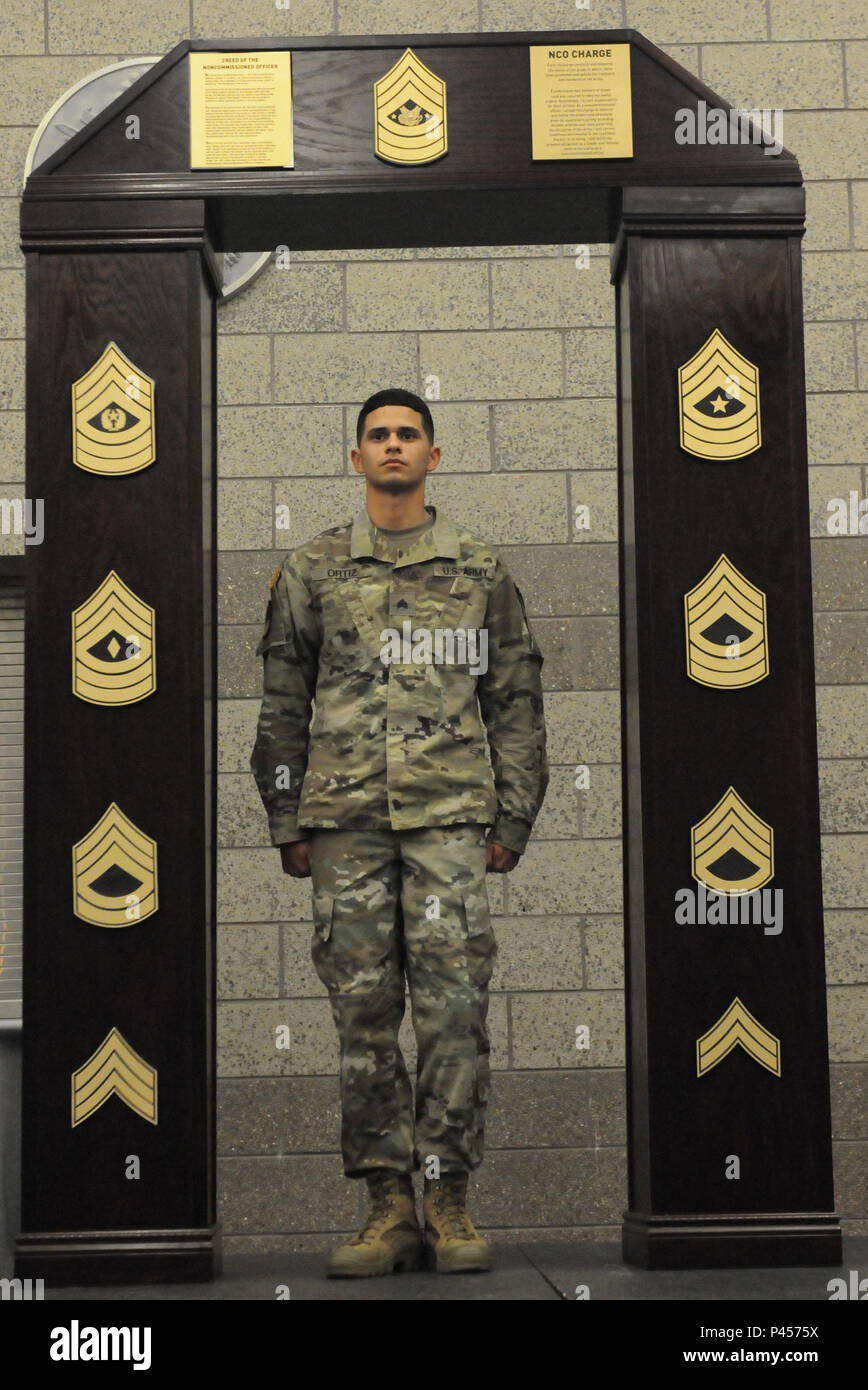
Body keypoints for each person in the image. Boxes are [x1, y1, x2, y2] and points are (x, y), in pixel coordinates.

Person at [250, 388, 548, 1277]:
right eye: (376, 436)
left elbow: (518, 705)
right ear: (355, 458)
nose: (392, 447)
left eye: (407, 434)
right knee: (364, 1021)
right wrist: (284, 816)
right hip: (343, 828)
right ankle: (387, 1209)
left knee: (455, 1013)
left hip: (451, 824)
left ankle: (448, 1200)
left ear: (434, 454)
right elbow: (280, 707)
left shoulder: (481, 572)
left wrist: (515, 816)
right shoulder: (311, 570)